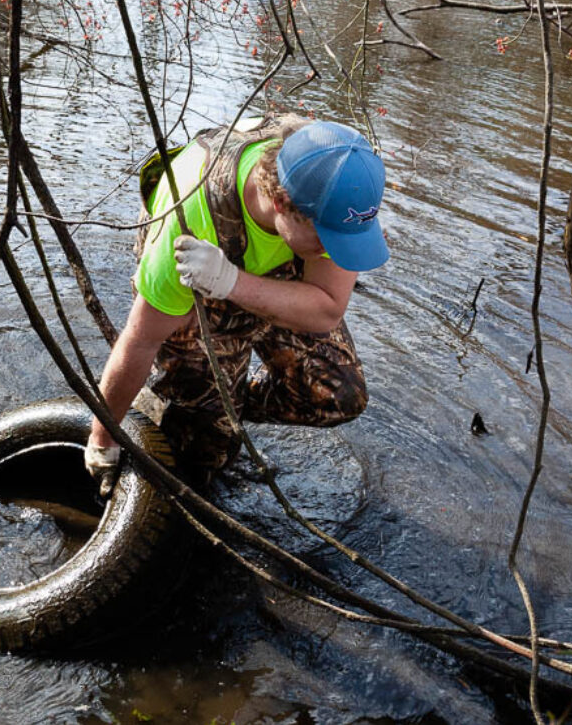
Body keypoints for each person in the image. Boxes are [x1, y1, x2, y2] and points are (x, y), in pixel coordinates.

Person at [84, 117, 389, 495]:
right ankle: (190, 408)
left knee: (337, 395)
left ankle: (220, 406)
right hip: (200, 272)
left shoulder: (338, 175)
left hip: (240, 272)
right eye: (326, 239)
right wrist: (102, 437)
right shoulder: (189, 225)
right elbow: (139, 339)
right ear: (280, 201)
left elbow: (327, 308)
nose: (335, 255)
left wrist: (232, 282)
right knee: (209, 452)